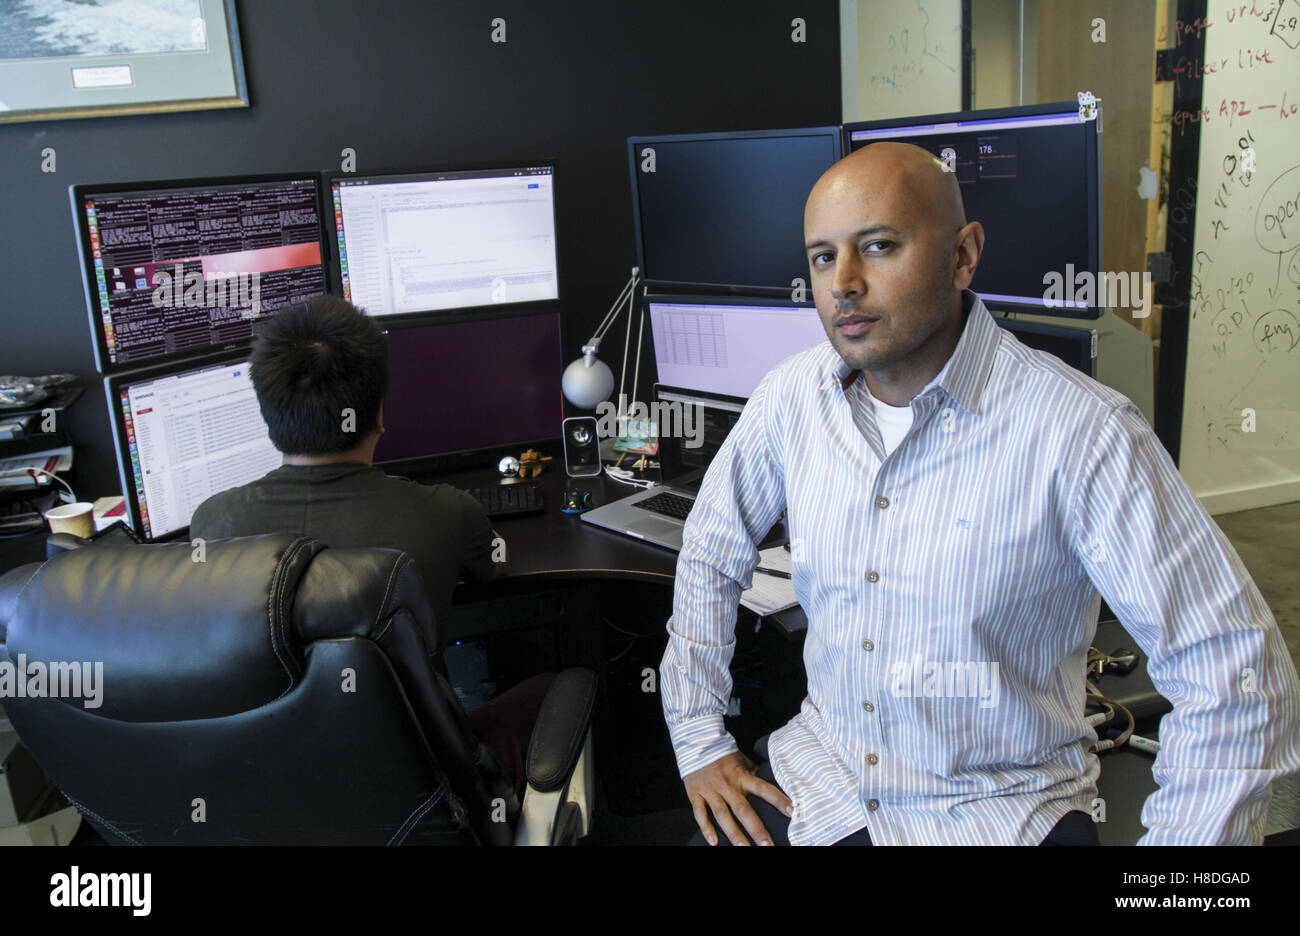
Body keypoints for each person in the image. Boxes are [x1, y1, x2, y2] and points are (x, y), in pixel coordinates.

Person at [661, 142, 1300, 846]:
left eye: (877, 247)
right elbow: (710, 549)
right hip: (825, 789)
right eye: (822, 257)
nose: (842, 282)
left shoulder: (1081, 432)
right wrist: (698, 738)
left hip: (999, 811)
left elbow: (1238, 678)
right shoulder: (791, 399)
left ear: (963, 255)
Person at [190, 295, 549, 794]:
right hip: (422, 783)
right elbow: (496, 564)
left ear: (269, 417)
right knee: (558, 684)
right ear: (378, 414)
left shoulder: (213, 525)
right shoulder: (445, 510)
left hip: (273, 786)